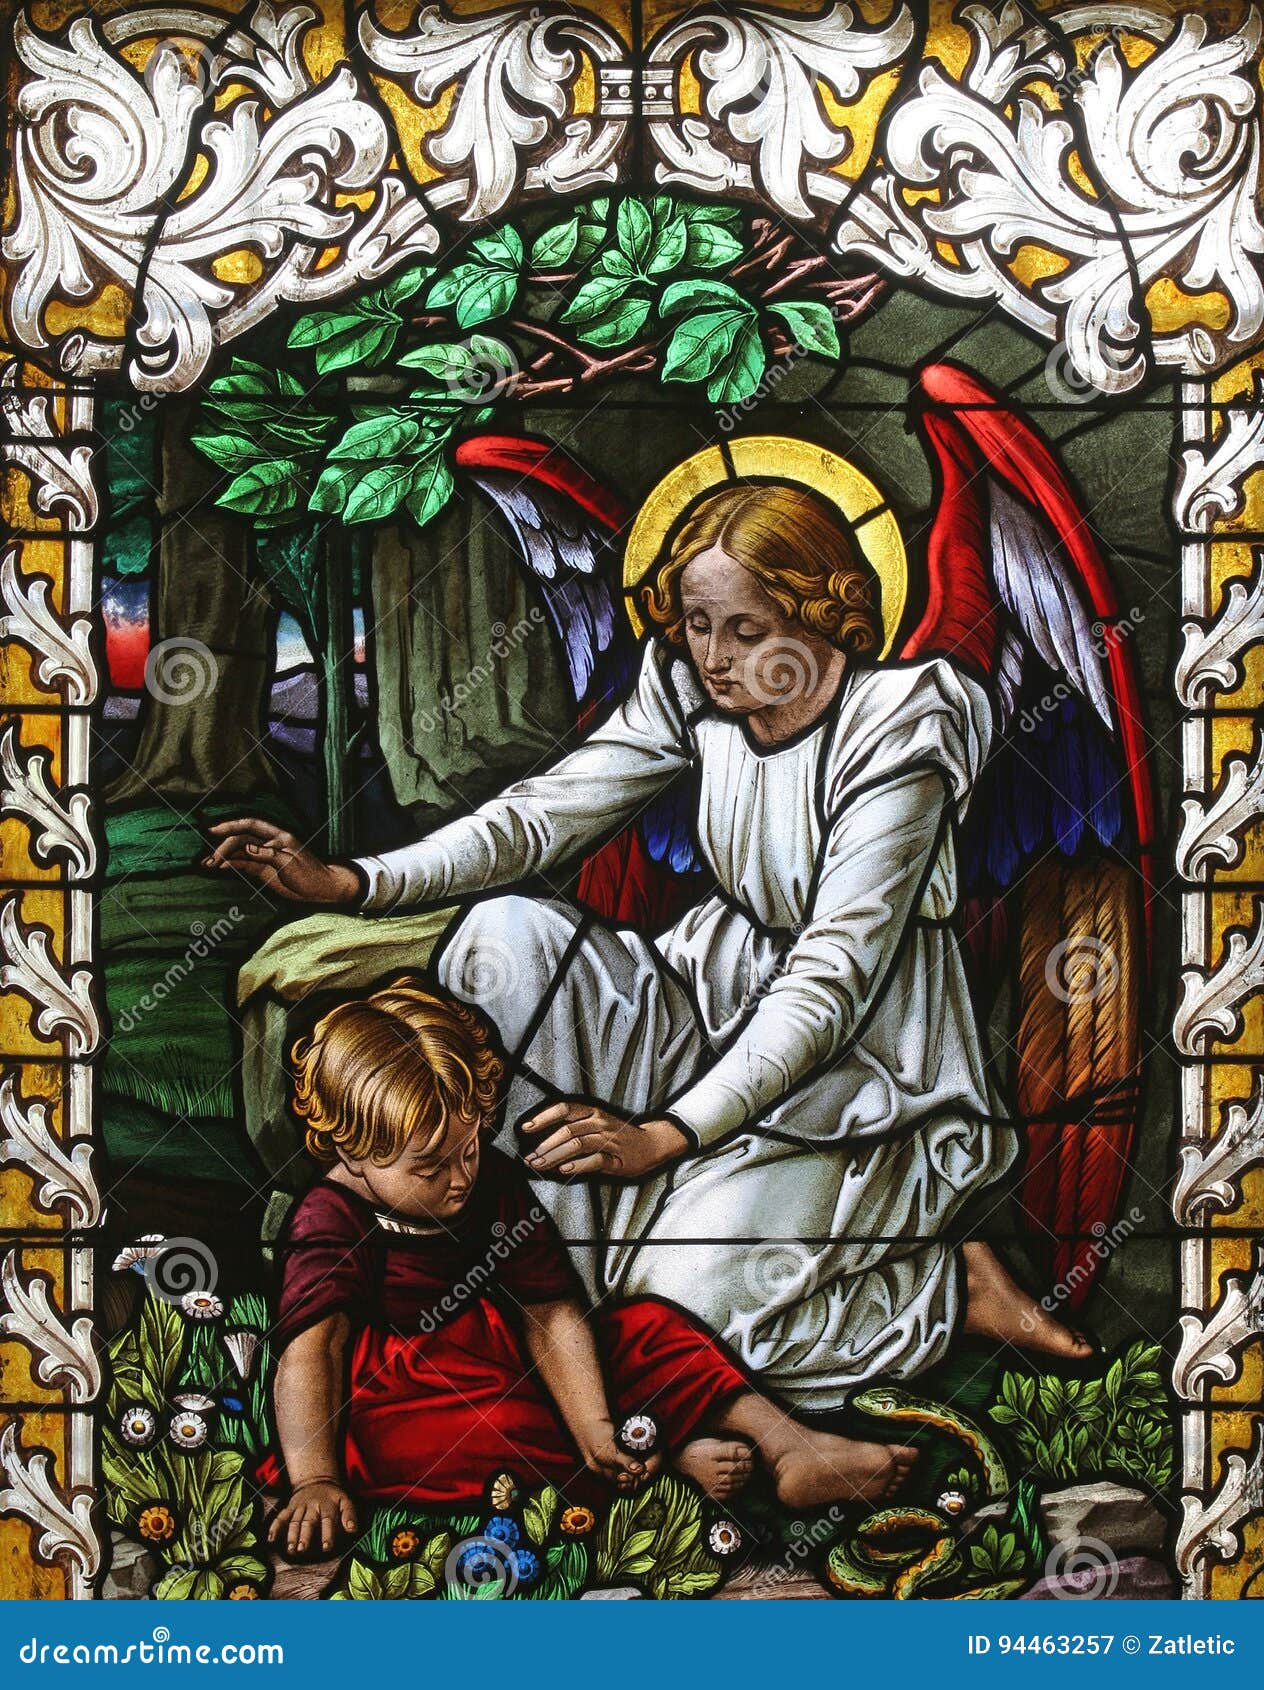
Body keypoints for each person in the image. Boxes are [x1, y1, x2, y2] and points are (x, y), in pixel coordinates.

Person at [213, 481, 1090, 1425]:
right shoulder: (688, 691)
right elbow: (540, 817)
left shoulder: (902, 727)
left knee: (685, 1313)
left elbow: (832, 978)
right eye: (697, 624)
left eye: (746, 631)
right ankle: (543, 1266)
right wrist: (351, 882)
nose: (711, 656)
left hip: (856, 1073)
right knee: (501, 938)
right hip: (704, 998)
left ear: (824, 612)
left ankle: (944, 1288)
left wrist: (664, 1137)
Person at [266, 980, 918, 1558]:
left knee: (649, 1330)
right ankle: (662, 1465)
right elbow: (312, 1355)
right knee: (483, 1431)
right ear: (352, 1151)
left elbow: (549, 1312)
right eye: (431, 1168)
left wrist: (594, 1424)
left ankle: (787, 1444)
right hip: (410, 1399)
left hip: (506, 1359)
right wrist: (315, 1478)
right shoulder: (330, 1218)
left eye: (469, 1148)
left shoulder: (489, 1183)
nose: (461, 1178)